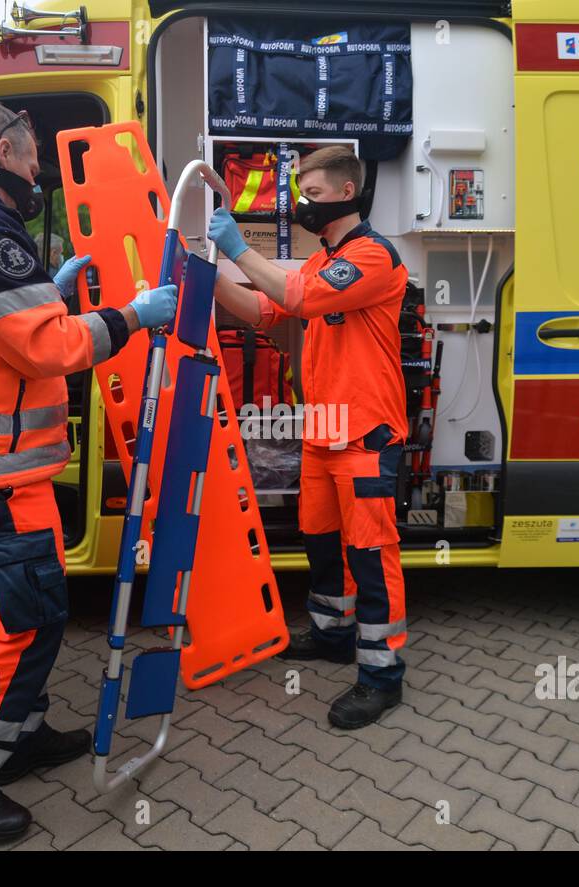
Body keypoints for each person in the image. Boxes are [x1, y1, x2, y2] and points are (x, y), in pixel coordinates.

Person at [0, 101, 179, 841]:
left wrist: (48, 293)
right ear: (0, 151)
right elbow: (48, 349)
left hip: (1, 470)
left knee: (33, 612)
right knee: (18, 627)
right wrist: (132, 315)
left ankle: (18, 731)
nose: (36, 179)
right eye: (30, 165)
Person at [210, 145, 409, 729]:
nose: (302, 203)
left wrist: (236, 247)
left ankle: (381, 675)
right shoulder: (320, 262)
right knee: (322, 542)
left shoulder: (371, 257)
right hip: (323, 431)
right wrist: (207, 275)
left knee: (371, 555)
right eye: (299, 192)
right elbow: (265, 311)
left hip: (366, 433)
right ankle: (331, 635)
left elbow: (298, 298)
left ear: (346, 193)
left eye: (312, 194)